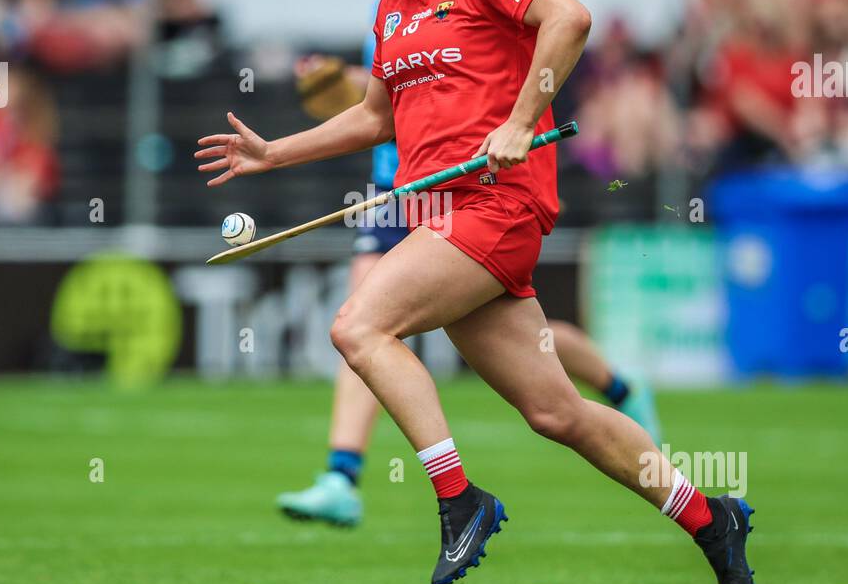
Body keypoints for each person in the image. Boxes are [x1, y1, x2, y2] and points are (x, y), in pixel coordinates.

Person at [196, 0, 755, 584]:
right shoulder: (393, 10)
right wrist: (272, 154)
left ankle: (459, 499)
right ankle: (710, 519)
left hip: (494, 208)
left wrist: (523, 119)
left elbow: (571, 17)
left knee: (360, 326)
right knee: (557, 412)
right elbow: (372, 117)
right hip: (439, 217)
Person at [278, 35, 660, 528]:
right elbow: (384, 100)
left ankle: (621, 386)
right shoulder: (394, 9)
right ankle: (342, 476)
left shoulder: (470, 3)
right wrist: (345, 82)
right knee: (361, 324)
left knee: (523, 334)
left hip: (466, 191)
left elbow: (452, 84)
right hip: (396, 195)